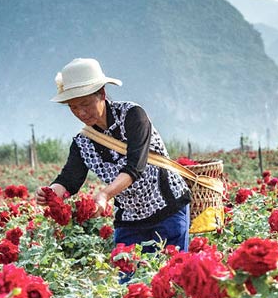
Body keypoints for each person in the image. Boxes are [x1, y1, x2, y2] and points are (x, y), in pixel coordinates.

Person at [35, 58, 192, 252]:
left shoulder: (133, 115)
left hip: (168, 211)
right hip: (129, 220)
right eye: (73, 107)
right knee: (127, 280)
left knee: (170, 276)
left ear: (101, 94)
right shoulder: (83, 141)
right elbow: (69, 180)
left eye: (85, 103)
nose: (81, 113)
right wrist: (50, 193)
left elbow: (135, 166)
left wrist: (104, 194)